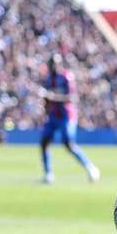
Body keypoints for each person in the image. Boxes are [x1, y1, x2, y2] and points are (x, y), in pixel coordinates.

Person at [40, 54, 99, 184]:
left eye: (55, 63)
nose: (54, 66)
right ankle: (48, 173)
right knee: (44, 142)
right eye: (52, 64)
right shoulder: (49, 79)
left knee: (68, 144)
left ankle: (90, 166)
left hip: (66, 115)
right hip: (53, 115)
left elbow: (72, 97)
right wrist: (45, 108)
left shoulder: (66, 77)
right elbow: (47, 99)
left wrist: (53, 97)